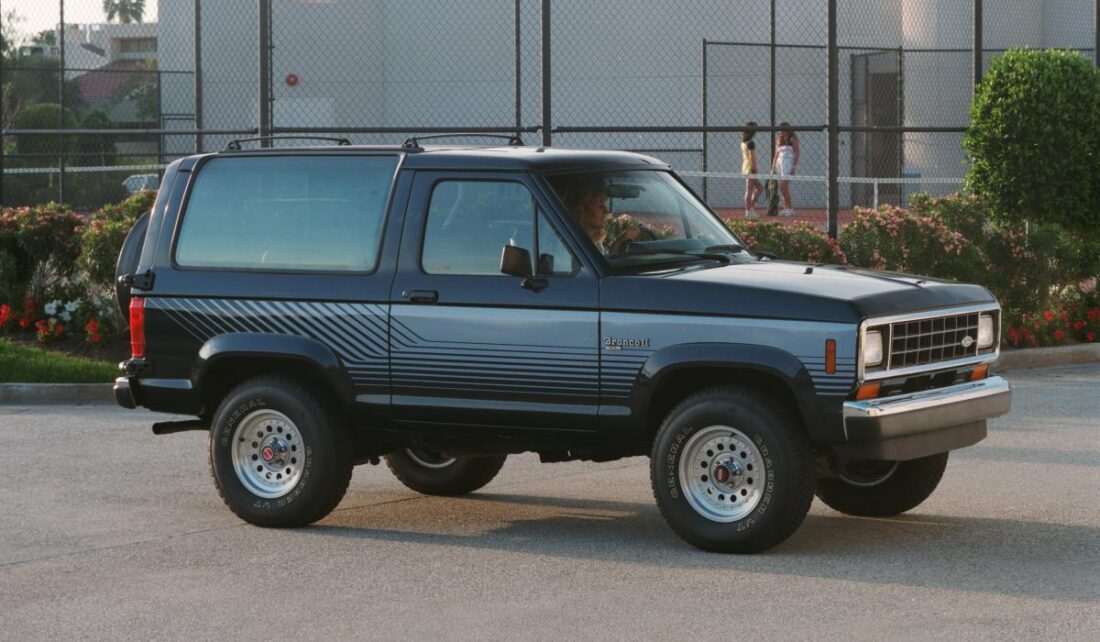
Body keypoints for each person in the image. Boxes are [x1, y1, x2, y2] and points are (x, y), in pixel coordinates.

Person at [564, 176, 640, 254]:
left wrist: (619, 242)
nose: (606, 211)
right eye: (600, 205)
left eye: (605, 204)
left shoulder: (596, 245)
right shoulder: (567, 246)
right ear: (582, 208)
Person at [772, 122, 800, 216]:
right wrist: (773, 167)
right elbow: (776, 154)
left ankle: (790, 208)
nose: (781, 131)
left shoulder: (792, 139)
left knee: (782, 187)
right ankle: (786, 208)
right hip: (780, 164)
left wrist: (793, 167)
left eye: (782, 129)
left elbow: (797, 153)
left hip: (788, 164)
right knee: (784, 188)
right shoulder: (779, 139)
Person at [740, 122, 763, 218]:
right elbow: (752, 158)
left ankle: (750, 208)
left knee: (759, 188)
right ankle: (748, 210)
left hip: (745, 167)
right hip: (750, 168)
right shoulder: (750, 143)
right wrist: (755, 169)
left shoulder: (743, 142)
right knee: (749, 190)